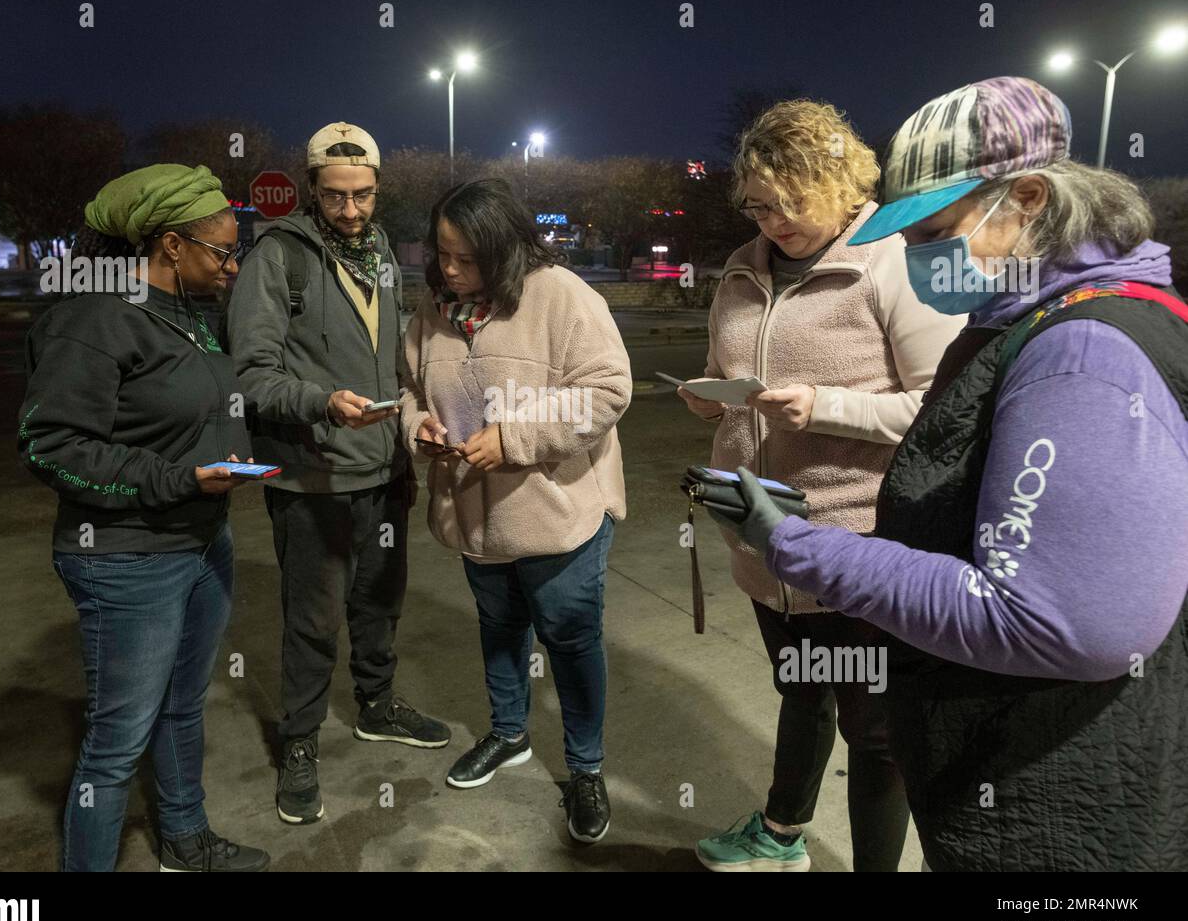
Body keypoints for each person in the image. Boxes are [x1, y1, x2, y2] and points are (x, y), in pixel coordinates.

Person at [713, 77, 1188, 872]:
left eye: (934, 230)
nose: (915, 254)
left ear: (1028, 197)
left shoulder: (1084, 355)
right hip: (1020, 769)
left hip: (1058, 818)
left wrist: (798, 546)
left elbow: (1061, 623)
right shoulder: (1034, 319)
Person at [682, 100, 964, 872]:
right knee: (802, 691)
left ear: (840, 184)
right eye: (759, 205)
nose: (774, 221)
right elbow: (730, 365)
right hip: (768, 544)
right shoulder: (741, 270)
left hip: (862, 553)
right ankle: (779, 837)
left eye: (791, 202)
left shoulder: (898, 262)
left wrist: (826, 408)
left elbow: (946, 408)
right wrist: (711, 396)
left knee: (875, 734)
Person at [18, 164, 269, 872]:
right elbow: (51, 446)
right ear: (169, 245)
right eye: (221, 251)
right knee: (115, 743)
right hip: (126, 558)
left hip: (201, 542)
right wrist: (174, 479)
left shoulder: (187, 311)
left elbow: (200, 409)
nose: (233, 263)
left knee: (181, 707)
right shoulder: (93, 319)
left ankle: (186, 842)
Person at [226, 122, 449, 827]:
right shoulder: (277, 257)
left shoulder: (381, 248)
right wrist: (320, 402)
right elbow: (251, 375)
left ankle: (377, 706)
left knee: (379, 601)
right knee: (313, 622)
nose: (352, 210)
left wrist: (404, 441)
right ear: (310, 187)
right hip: (310, 478)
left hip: (382, 469)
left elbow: (388, 354)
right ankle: (299, 742)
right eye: (336, 196)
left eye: (364, 196)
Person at [400, 178, 632, 843]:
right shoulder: (433, 313)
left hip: (557, 516)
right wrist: (418, 428)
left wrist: (516, 439)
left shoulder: (561, 296)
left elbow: (607, 392)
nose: (449, 270)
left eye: (466, 258)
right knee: (499, 628)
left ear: (505, 250)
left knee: (569, 637)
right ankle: (509, 734)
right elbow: (411, 390)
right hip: (475, 518)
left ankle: (585, 767)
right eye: (442, 254)